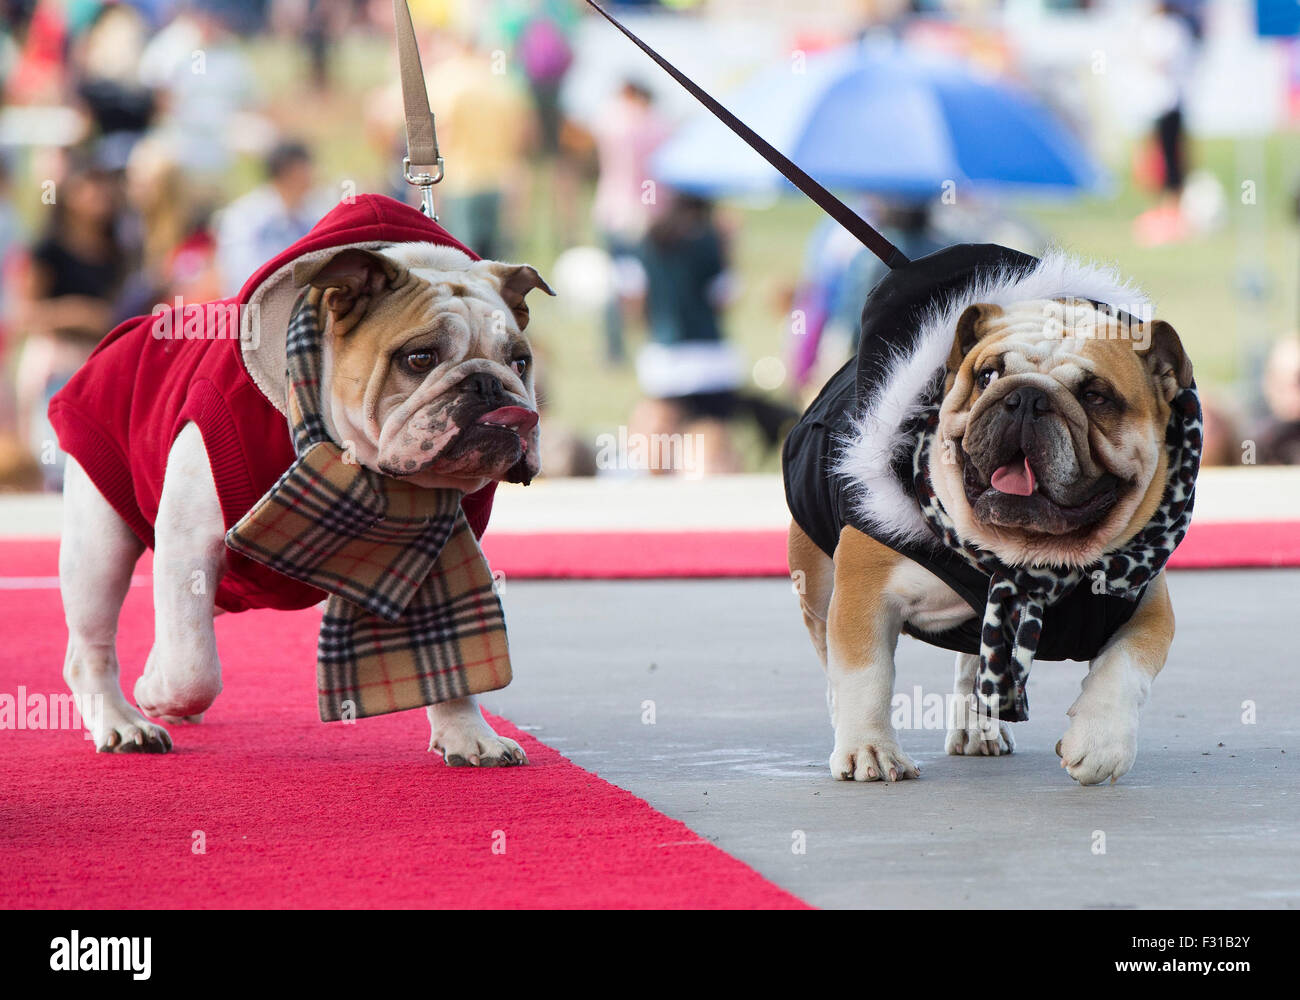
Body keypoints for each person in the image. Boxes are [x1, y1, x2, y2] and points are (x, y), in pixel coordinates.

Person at [11, 156, 126, 488]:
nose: (99, 194)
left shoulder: (115, 250)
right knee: (54, 463)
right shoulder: (48, 249)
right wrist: (78, 313)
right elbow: (25, 314)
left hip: (96, 363)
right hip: (54, 360)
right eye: (89, 186)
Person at [591, 79, 669, 365]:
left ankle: (614, 348)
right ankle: (655, 339)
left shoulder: (617, 123)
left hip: (615, 210)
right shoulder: (658, 125)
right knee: (651, 281)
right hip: (647, 212)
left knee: (619, 282)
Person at [214, 139, 330, 296]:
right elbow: (240, 274)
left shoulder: (315, 212)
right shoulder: (245, 215)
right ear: (290, 172)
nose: (313, 174)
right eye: (307, 168)